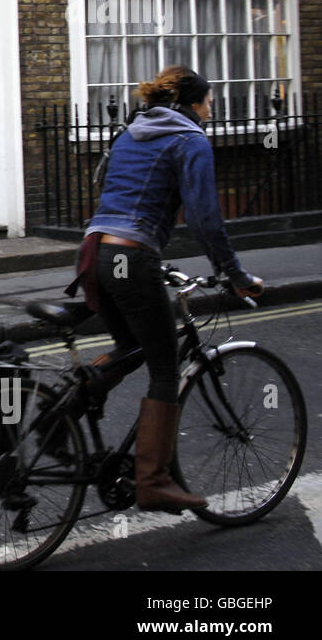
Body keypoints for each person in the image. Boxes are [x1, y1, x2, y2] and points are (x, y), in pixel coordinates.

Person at [66, 65, 264, 513]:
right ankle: (152, 480)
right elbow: (205, 219)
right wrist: (235, 276)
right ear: (192, 105)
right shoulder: (189, 139)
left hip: (97, 252)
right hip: (130, 256)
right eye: (209, 103)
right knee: (166, 368)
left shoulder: (131, 132)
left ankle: (60, 414)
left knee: (130, 346)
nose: (211, 112)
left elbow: (116, 194)